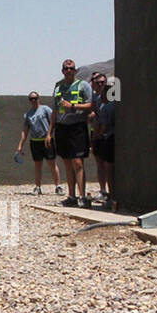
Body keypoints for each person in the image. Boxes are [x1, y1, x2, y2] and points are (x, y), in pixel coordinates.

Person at [49, 59, 94, 208]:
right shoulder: (58, 87)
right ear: (62, 71)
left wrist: (73, 106)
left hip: (77, 127)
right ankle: (71, 196)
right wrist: (50, 132)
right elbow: (55, 110)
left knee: (78, 162)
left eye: (71, 68)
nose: (69, 71)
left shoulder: (83, 85)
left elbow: (90, 104)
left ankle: (82, 196)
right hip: (62, 128)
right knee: (67, 163)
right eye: (66, 68)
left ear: (75, 70)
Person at [15, 91, 62, 195]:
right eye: (31, 99)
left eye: (35, 98)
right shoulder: (28, 114)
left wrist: (49, 135)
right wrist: (20, 145)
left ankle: (58, 186)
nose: (33, 101)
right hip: (35, 142)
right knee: (37, 165)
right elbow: (25, 130)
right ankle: (38, 187)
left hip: (47, 140)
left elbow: (53, 122)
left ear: (38, 98)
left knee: (52, 163)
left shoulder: (45, 109)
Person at [90, 73, 116, 208]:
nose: (100, 85)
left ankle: (112, 196)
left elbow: (104, 123)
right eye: (97, 82)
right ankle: (105, 191)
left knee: (109, 167)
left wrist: (98, 135)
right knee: (102, 164)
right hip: (102, 137)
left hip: (108, 137)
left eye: (102, 83)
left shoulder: (110, 103)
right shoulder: (97, 100)